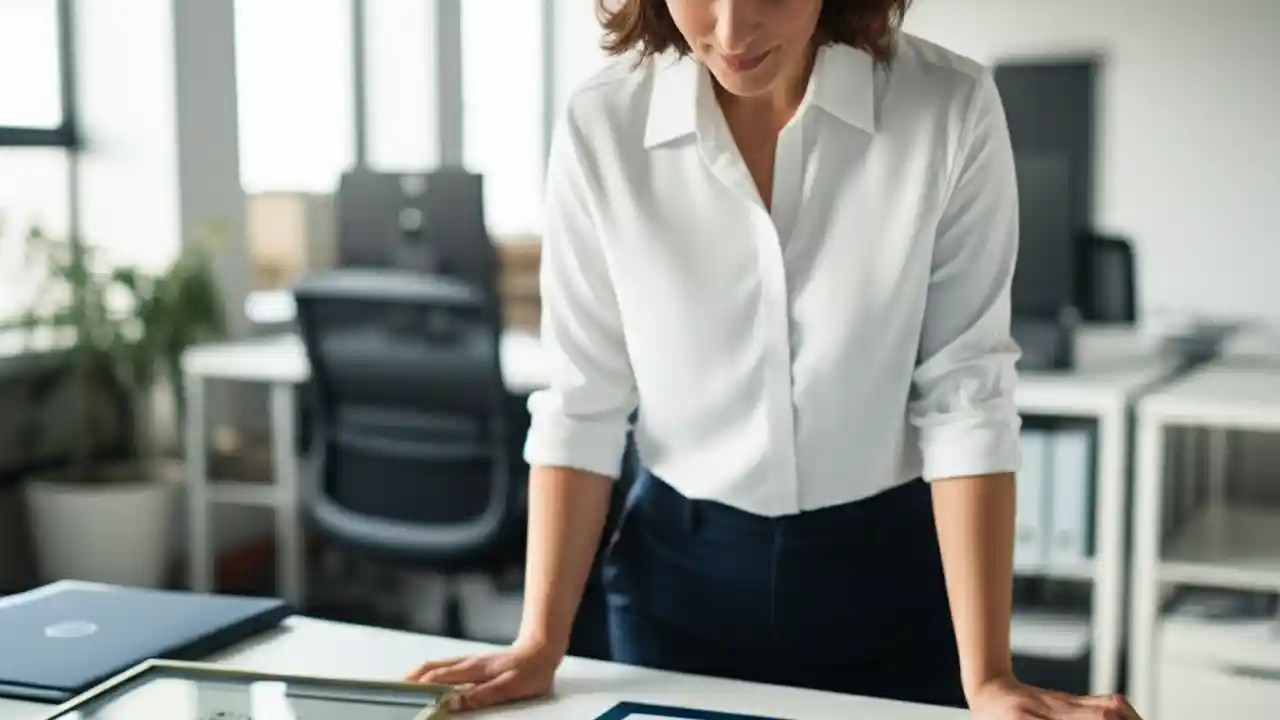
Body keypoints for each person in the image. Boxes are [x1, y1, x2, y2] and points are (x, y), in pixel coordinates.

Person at [407, 1, 1142, 717]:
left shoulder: (947, 107)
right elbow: (580, 401)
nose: (730, 29)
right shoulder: (604, 123)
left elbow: (966, 393)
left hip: (889, 579)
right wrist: (538, 642)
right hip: (677, 585)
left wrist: (989, 677)